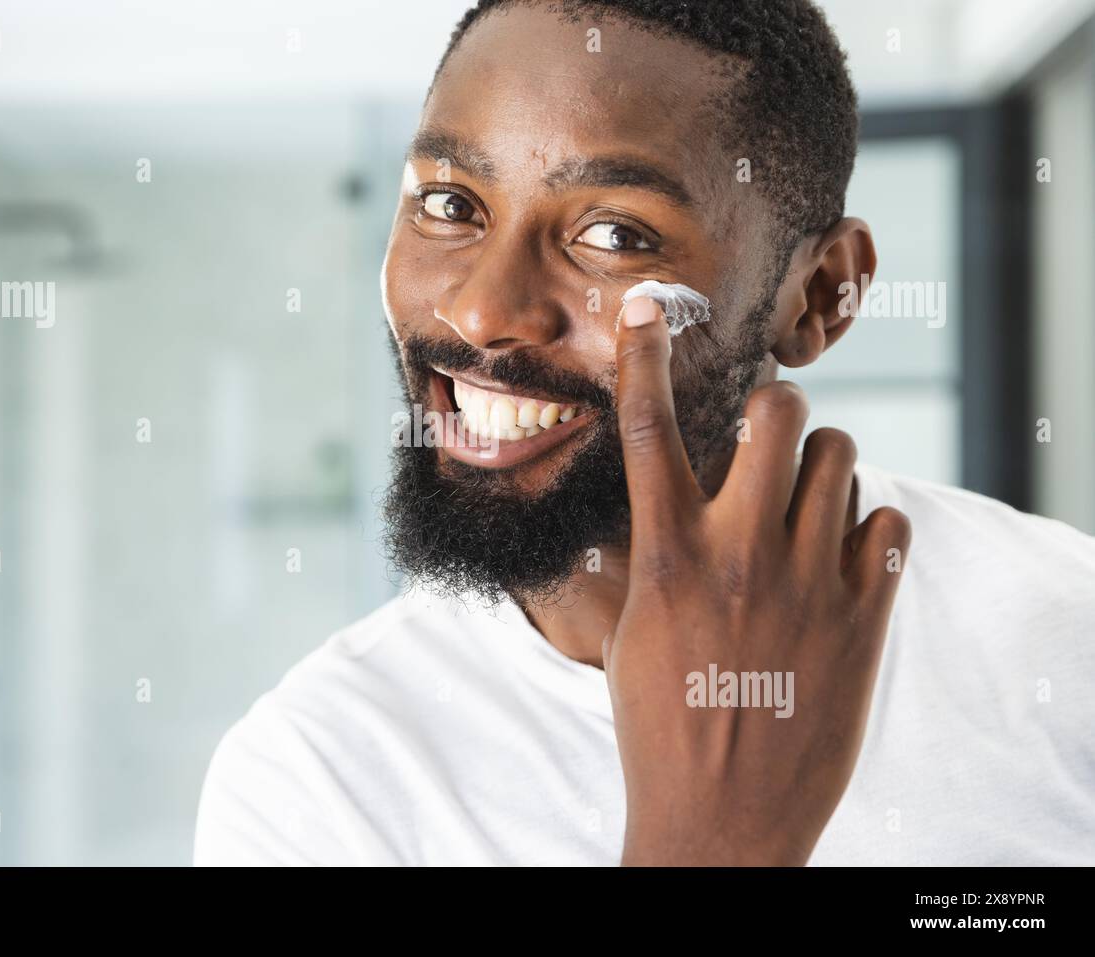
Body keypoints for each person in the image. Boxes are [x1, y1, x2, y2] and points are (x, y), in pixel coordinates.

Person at [195, 0, 1095, 865]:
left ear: (822, 295)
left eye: (615, 233)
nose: (481, 310)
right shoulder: (313, 786)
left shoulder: (1063, 635)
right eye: (449, 204)